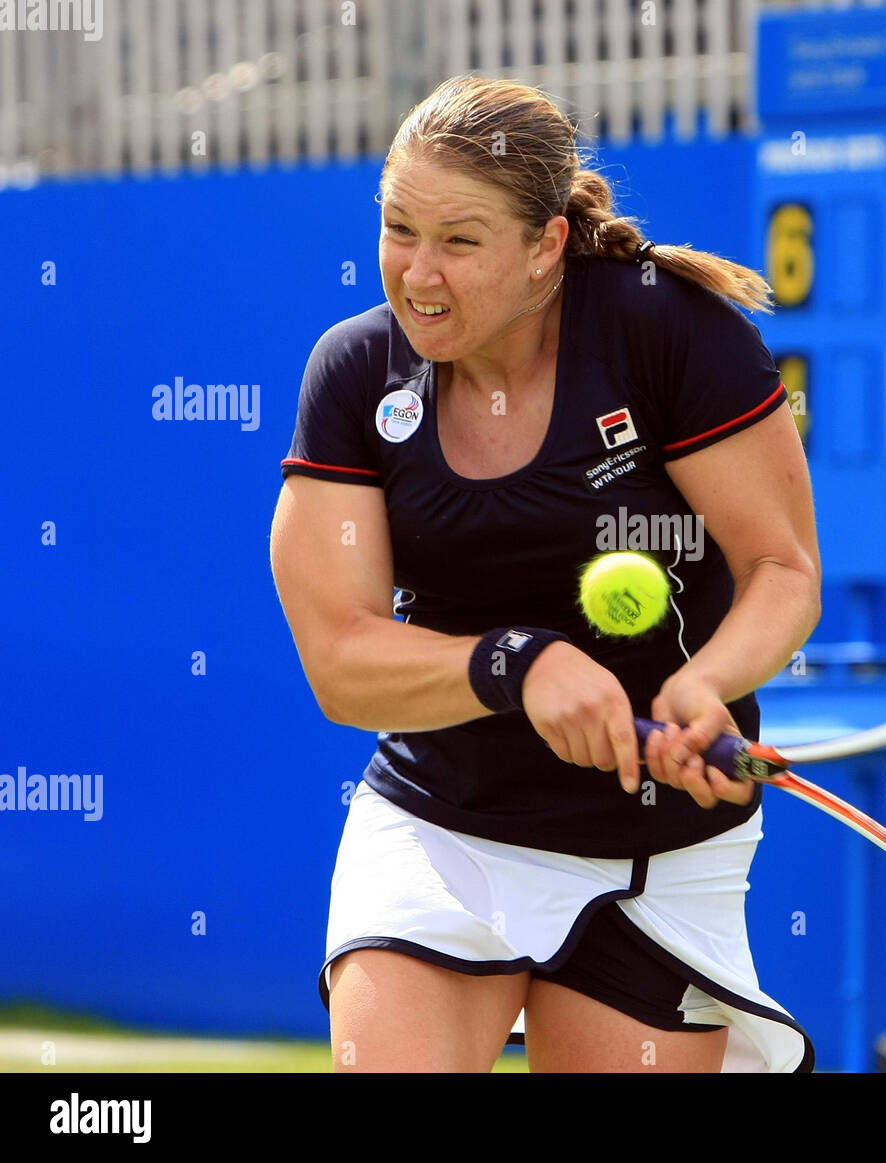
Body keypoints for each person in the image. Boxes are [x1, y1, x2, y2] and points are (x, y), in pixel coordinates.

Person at [269, 74, 821, 1073]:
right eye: (399, 228)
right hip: (444, 823)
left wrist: (704, 686)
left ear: (545, 246)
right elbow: (340, 659)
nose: (417, 274)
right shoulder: (354, 375)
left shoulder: (668, 332)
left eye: (460, 240)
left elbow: (782, 566)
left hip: (659, 849)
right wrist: (515, 665)